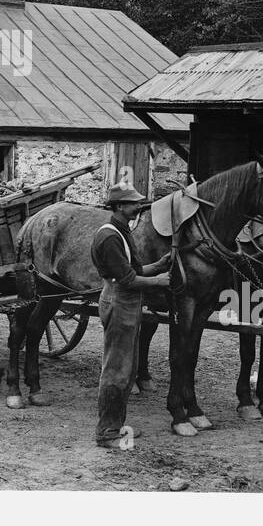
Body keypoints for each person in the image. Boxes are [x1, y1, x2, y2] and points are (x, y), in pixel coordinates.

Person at [93, 182, 172, 449]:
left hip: (127, 302)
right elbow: (127, 279)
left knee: (127, 369)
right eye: (133, 203)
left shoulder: (122, 230)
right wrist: (161, 281)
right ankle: (106, 433)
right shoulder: (110, 236)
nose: (139, 207)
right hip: (119, 300)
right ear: (119, 207)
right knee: (116, 371)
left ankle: (115, 426)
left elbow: (135, 269)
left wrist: (158, 265)